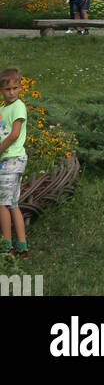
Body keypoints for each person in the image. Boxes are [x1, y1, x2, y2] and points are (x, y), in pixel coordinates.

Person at [0, 67, 28, 261]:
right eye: (7, 89)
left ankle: (7, 247)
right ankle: (22, 247)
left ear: (20, 88)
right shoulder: (3, 109)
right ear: (1, 90)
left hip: (12, 159)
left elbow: (15, 134)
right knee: (13, 204)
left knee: (1, 204)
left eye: (15, 88)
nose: (11, 92)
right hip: (8, 160)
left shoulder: (18, 106)